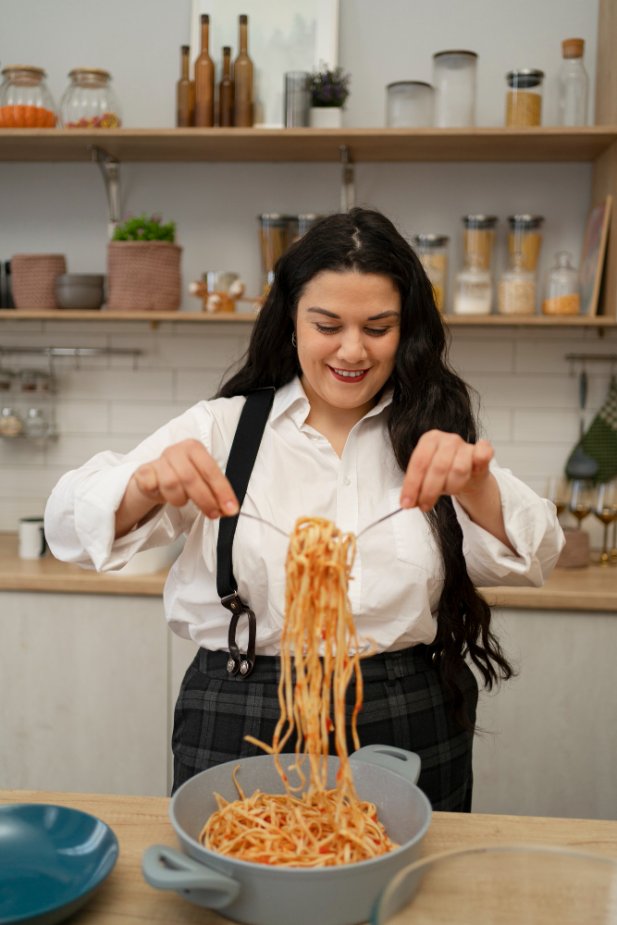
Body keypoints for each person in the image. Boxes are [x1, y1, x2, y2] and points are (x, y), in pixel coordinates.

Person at [44, 207, 564, 811]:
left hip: (406, 709)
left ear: (407, 330)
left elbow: (539, 553)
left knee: (409, 901)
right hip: (243, 707)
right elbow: (66, 529)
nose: (352, 350)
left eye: (378, 327)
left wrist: (475, 486)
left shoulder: (432, 436)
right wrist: (145, 486)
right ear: (291, 322)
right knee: (243, 891)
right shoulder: (224, 429)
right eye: (327, 324)